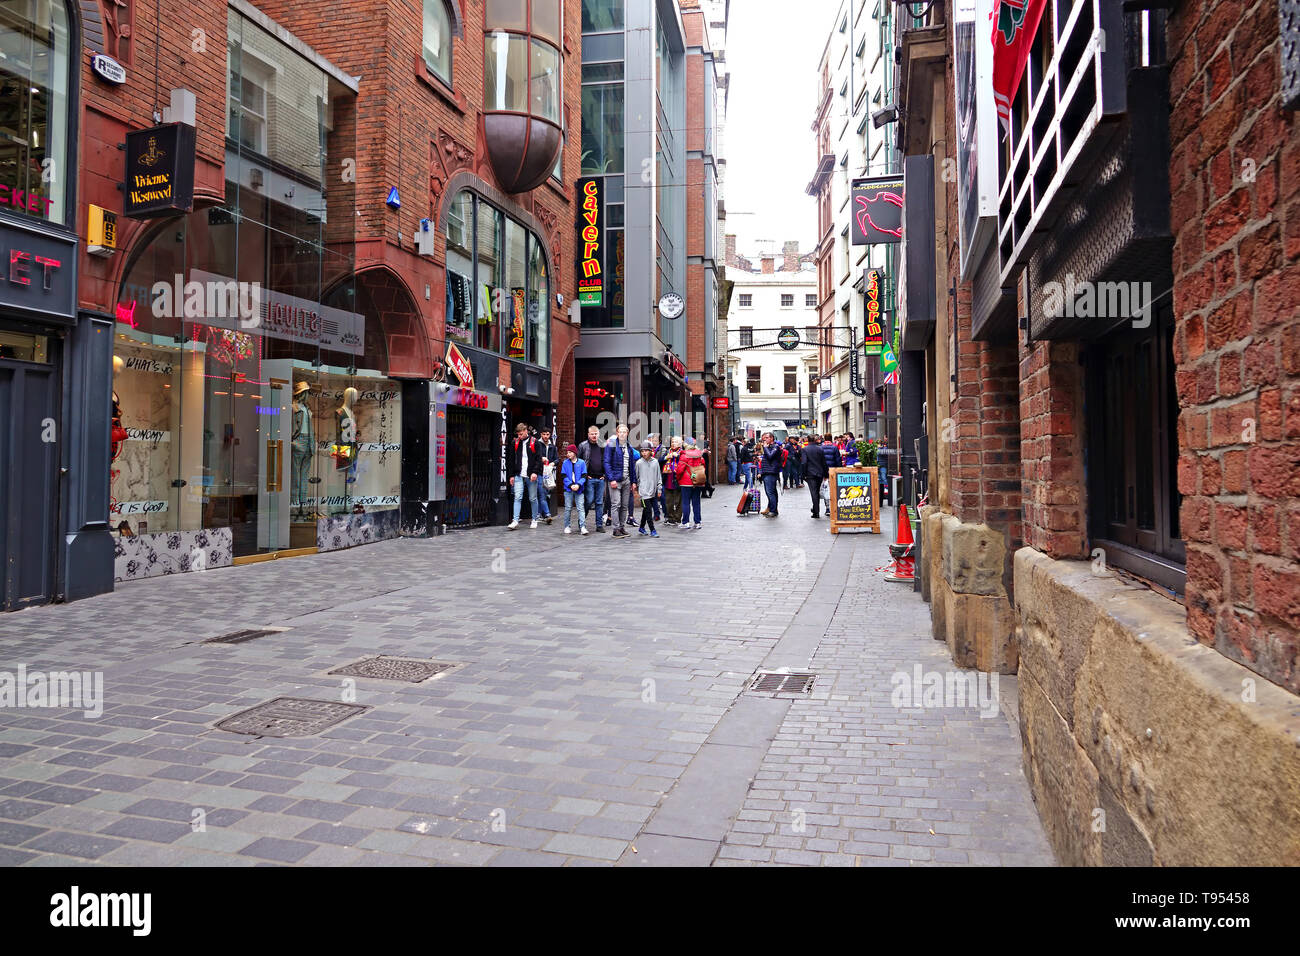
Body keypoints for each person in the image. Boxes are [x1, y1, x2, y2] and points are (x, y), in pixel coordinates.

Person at [508, 422, 543, 530]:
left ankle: (534, 519)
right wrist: (511, 475)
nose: (519, 436)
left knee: (532, 498)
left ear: (526, 431)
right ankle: (515, 520)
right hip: (519, 474)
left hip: (530, 474)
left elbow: (539, 459)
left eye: (521, 434)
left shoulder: (535, 442)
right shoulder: (515, 443)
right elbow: (511, 459)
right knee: (517, 497)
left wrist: (535, 472)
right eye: (518, 434)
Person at [603, 423, 636, 538]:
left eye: (624, 432)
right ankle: (615, 529)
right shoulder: (611, 445)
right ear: (617, 433)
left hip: (627, 480)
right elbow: (606, 463)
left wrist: (633, 481)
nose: (622, 434)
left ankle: (622, 527)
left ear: (627, 434)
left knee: (624, 505)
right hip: (615, 480)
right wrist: (611, 479)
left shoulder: (629, 447)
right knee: (616, 504)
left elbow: (631, 465)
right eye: (620, 432)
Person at [578, 425, 606, 532]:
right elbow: (578, 462)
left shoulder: (602, 445)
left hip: (601, 478)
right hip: (589, 478)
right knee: (589, 501)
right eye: (592, 434)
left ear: (598, 434)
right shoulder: (583, 445)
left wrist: (605, 474)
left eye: (596, 434)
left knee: (599, 502)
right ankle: (581, 522)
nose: (594, 436)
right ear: (588, 435)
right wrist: (584, 475)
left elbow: (606, 460)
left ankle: (599, 525)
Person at [633, 440, 662, 537]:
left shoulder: (655, 462)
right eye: (642, 451)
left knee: (646, 510)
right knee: (648, 511)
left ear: (650, 451)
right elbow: (636, 477)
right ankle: (652, 530)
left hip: (653, 491)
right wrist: (637, 490)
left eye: (646, 451)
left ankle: (641, 527)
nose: (644, 453)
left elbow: (658, 476)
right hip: (644, 492)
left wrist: (659, 488)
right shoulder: (638, 463)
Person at [676, 437, 706, 529]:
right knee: (696, 502)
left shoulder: (684, 455)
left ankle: (686, 522)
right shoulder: (699, 455)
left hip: (686, 482)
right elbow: (703, 465)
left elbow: (679, 470)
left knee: (685, 502)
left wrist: (678, 479)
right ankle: (698, 522)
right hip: (698, 481)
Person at [560, 443, 589, 535]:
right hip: (568, 489)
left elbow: (584, 475)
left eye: (570, 452)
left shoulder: (581, 462)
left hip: (579, 489)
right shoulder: (565, 463)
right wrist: (571, 485)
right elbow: (564, 476)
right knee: (568, 508)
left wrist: (578, 485)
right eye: (567, 452)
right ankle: (567, 526)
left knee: (580, 508)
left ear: (575, 453)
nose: (568, 454)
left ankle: (582, 526)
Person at [801, 434, 829, 518]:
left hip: (810, 473)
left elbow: (804, 462)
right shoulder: (820, 449)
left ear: (808, 440)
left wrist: (803, 474)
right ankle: (815, 509)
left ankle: (816, 511)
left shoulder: (805, 449)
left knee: (814, 492)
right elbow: (824, 463)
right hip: (819, 473)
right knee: (816, 491)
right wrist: (825, 474)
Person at [759, 432, 783, 517]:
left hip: (771, 472)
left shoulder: (775, 447)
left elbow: (770, 456)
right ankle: (770, 508)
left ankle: (773, 510)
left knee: (770, 492)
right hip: (767, 472)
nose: (764, 439)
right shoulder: (769, 447)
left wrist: (765, 447)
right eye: (763, 438)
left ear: (772, 438)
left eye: (766, 437)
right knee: (771, 492)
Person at [536, 427, 557, 525]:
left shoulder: (552, 446)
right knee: (542, 493)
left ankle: (539, 514)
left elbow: (557, 459)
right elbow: (533, 457)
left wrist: (553, 463)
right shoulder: (537, 444)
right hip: (539, 472)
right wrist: (541, 458)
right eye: (544, 434)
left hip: (548, 474)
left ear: (550, 435)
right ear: (541, 434)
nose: (545, 436)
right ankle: (548, 515)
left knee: (543, 494)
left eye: (547, 434)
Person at [662, 436, 683, 525]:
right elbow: (660, 460)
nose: (673, 443)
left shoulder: (682, 452)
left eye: (675, 442)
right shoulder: (668, 451)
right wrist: (666, 457)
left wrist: (677, 457)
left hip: (677, 479)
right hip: (667, 479)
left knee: (678, 501)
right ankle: (670, 518)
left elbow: (684, 463)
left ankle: (677, 518)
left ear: (680, 444)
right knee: (668, 501)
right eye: (672, 442)